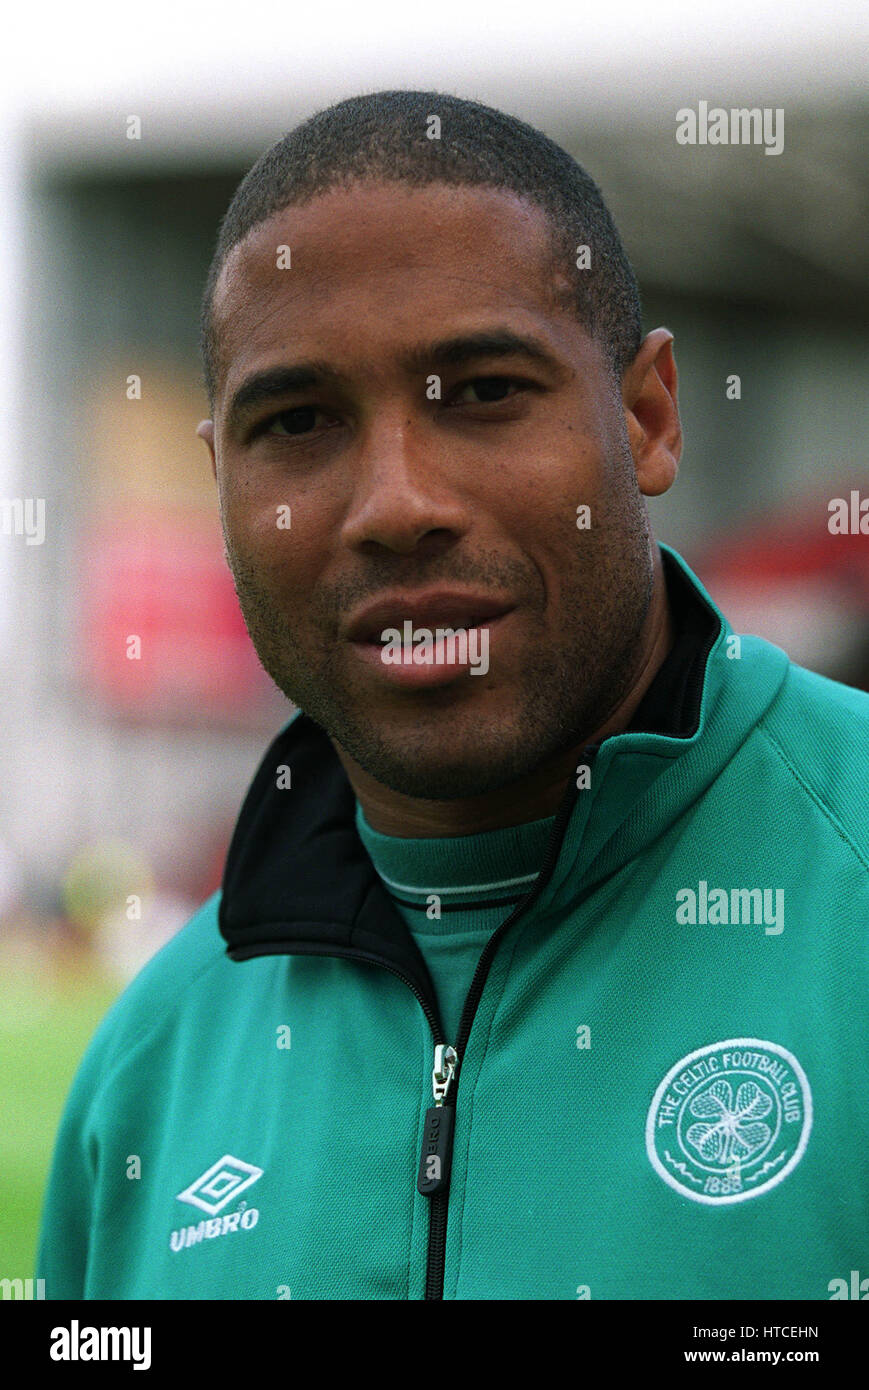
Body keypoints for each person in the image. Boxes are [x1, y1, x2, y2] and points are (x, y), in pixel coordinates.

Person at [37, 89, 868, 1301]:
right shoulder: (148, 1068)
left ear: (644, 418)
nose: (392, 505)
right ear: (223, 480)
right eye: (300, 420)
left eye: (480, 392)